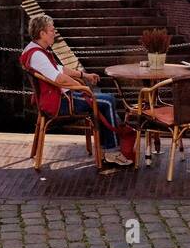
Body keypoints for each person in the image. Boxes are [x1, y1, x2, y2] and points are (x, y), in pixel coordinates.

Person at [20, 14, 133, 167]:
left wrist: (83, 75)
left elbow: (60, 69)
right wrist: (83, 87)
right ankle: (112, 151)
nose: (55, 33)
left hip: (58, 97)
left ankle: (106, 148)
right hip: (60, 102)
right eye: (52, 30)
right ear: (42, 34)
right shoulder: (38, 56)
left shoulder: (34, 49)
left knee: (103, 100)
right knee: (107, 101)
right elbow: (59, 78)